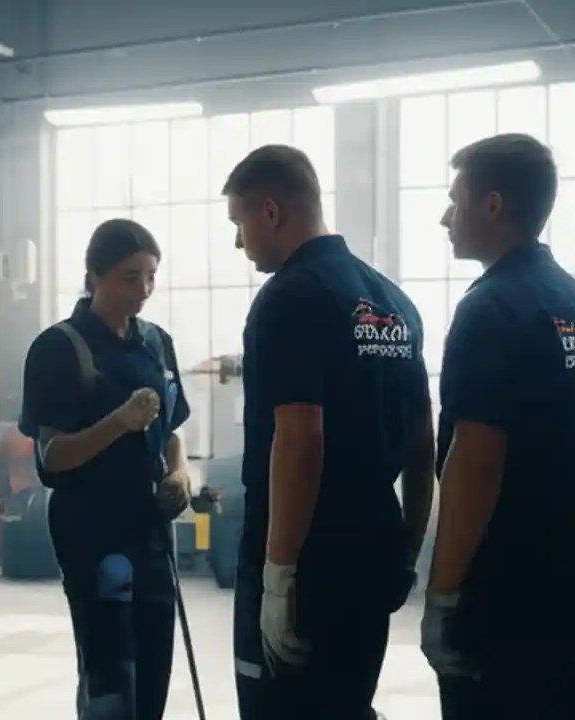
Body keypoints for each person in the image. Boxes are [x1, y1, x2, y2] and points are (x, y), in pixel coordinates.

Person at [223, 146, 435, 720]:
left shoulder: (288, 298)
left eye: (239, 223)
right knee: (346, 704)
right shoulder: (393, 302)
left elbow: (300, 441)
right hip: (374, 547)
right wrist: (407, 552)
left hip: (306, 554)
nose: (240, 243)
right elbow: (423, 446)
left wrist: (278, 576)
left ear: (270, 212)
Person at [422, 134, 575, 720]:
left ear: (492, 204)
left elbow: (476, 463)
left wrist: (443, 592)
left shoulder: (492, 307)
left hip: (506, 566)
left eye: (454, 200)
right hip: (571, 552)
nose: (444, 217)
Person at [19, 218, 192, 720]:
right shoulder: (60, 349)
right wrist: (118, 422)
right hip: (93, 532)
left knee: (155, 668)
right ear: (94, 275)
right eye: (128, 277)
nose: (143, 290)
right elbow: (51, 458)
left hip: (151, 530)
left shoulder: (156, 343)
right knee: (111, 677)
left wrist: (178, 474)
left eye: (150, 276)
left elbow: (173, 430)